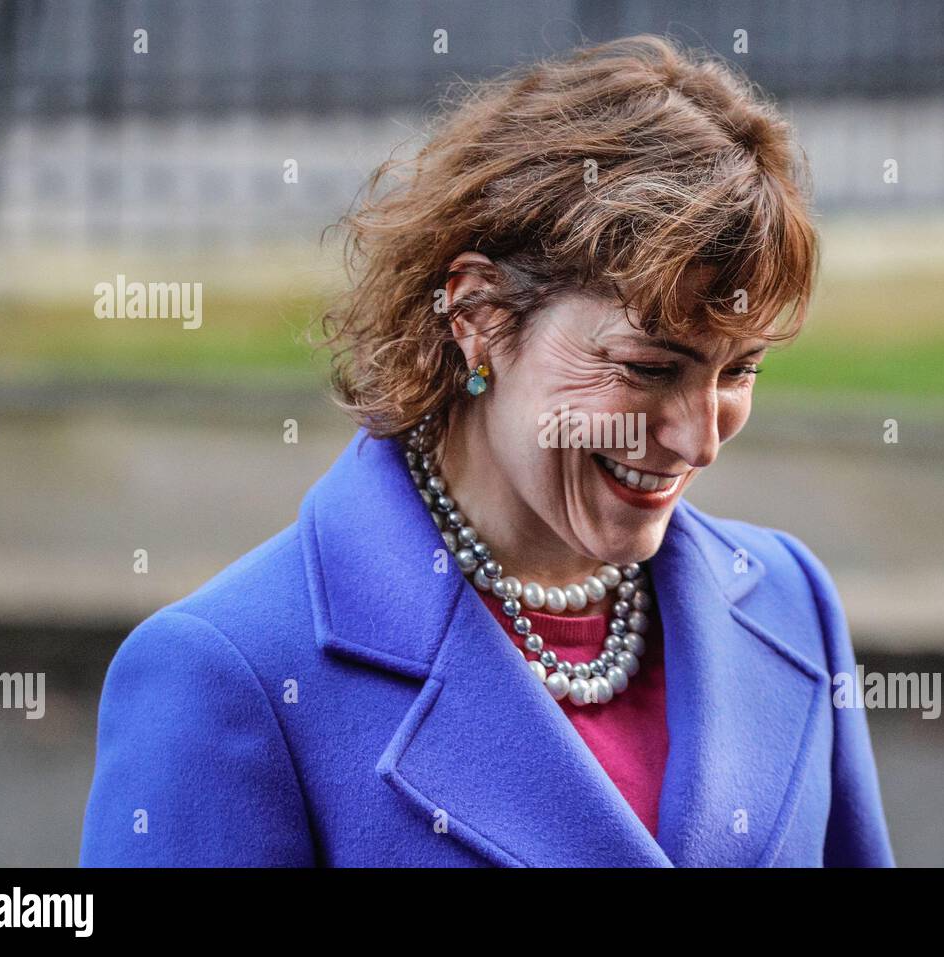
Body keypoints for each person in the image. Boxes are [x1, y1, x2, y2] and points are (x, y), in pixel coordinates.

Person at [79, 34, 894, 867]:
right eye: (649, 368)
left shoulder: (789, 604)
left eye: (740, 369)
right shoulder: (226, 675)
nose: (699, 438)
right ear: (478, 316)